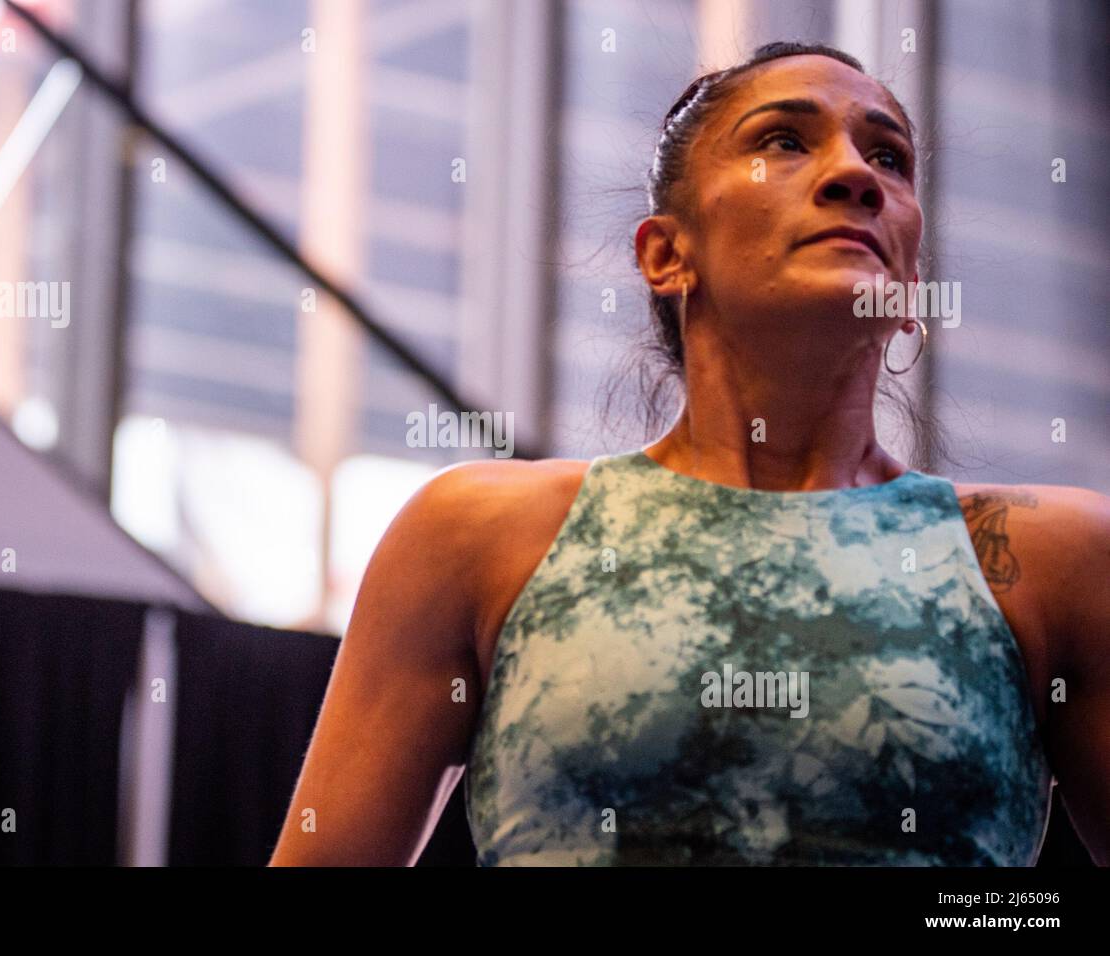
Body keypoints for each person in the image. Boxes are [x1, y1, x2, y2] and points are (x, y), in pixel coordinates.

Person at [267, 42, 1109, 866]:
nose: (857, 175)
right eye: (784, 139)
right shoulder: (475, 537)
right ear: (666, 255)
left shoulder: (1050, 560)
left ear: (911, 289)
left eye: (889, 157)